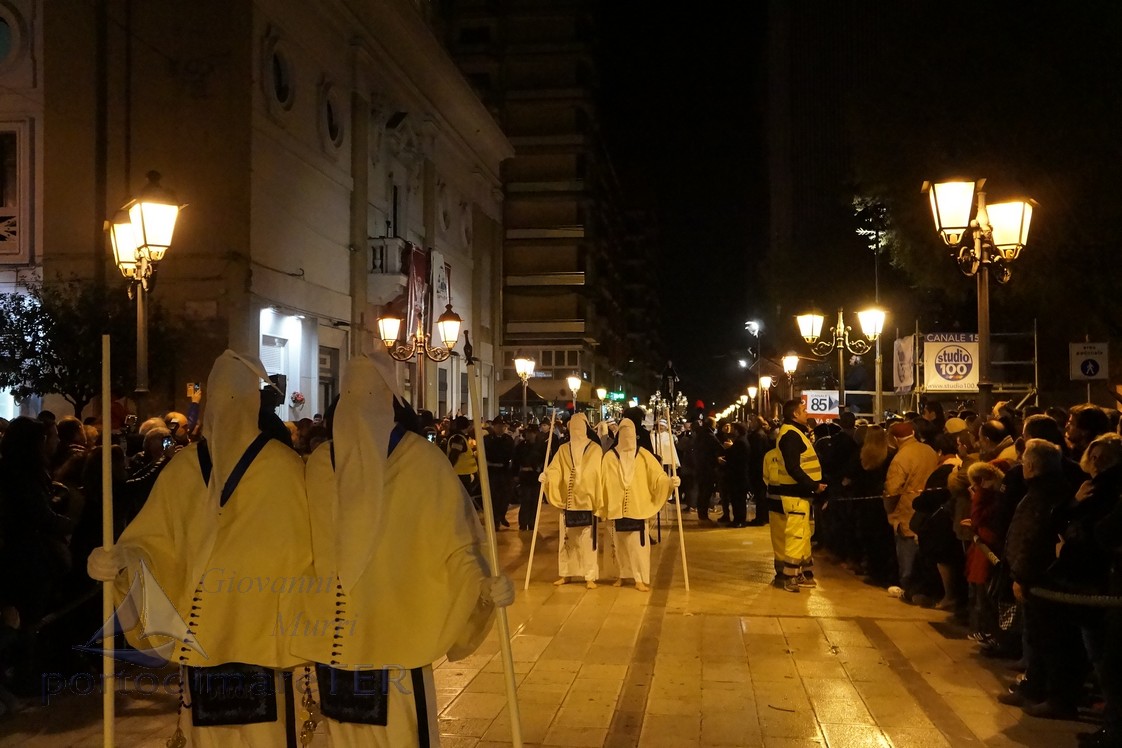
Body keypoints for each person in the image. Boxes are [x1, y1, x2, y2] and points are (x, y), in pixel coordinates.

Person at [88, 351, 314, 747]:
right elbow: (153, 544)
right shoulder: (185, 470)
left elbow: (308, 553)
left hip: (269, 646)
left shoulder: (284, 469)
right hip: (213, 643)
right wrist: (122, 561)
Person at [293, 353, 512, 746]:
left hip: (397, 645)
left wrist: (481, 587)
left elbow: (456, 545)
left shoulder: (421, 463)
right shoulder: (320, 467)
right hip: (337, 646)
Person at [599, 419, 677, 591]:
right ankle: (621, 574)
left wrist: (669, 482)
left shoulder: (643, 455)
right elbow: (602, 481)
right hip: (616, 507)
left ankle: (639, 578)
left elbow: (658, 476)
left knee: (637, 546)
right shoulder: (610, 457)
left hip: (637, 506)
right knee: (617, 544)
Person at [766, 399, 826, 592]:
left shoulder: (790, 433)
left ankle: (793, 573)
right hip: (795, 496)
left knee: (795, 536)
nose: (806, 412)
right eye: (803, 410)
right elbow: (794, 467)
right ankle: (791, 577)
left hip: (794, 495)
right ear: (795, 415)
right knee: (796, 537)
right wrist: (813, 485)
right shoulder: (792, 435)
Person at [541, 413, 603, 588]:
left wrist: (582, 482)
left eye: (579, 427)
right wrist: (548, 476)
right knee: (566, 539)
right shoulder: (563, 449)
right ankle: (566, 573)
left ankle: (589, 575)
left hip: (586, 501)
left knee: (588, 540)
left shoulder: (594, 449)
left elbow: (596, 472)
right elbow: (556, 469)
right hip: (568, 501)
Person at [883, 421, 938, 597]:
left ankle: (907, 591)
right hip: (929, 512)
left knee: (907, 561)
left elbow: (892, 490)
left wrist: (890, 513)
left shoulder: (901, 458)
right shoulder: (929, 450)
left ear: (895, 439)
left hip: (906, 515)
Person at [483, 415, 516, 528]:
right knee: (494, 497)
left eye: (502, 426)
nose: (500, 428)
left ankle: (502, 515)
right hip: (492, 472)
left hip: (505, 472)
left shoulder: (508, 439)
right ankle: (495, 520)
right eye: (498, 426)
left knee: (505, 496)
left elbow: (511, 454)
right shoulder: (487, 439)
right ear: (494, 426)